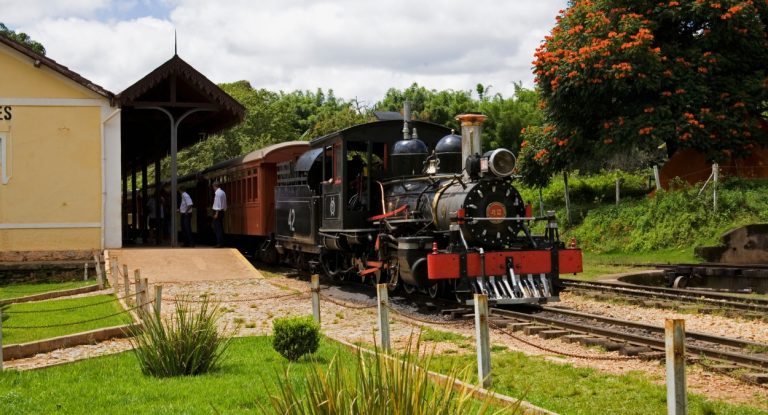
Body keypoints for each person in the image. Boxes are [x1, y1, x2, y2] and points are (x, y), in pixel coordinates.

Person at [212, 181, 227, 247]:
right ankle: (222, 242)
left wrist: (216, 213)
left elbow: (218, 204)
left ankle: (219, 243)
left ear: (214, 186)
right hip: (222, 212)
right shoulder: (223, 192)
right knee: (220, 227)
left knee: (217, 228)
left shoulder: (217, 193)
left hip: (218, 212)